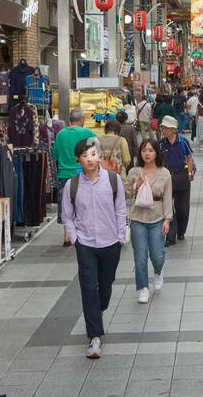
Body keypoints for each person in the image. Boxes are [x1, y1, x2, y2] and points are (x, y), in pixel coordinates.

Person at [60, 138, 127, 359]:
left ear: (99, 156)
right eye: (85, 155)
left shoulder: (113, 180)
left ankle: (99, 308)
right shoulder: (73, 185)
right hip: (85, 244)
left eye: (93, 154)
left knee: (105, 285)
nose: (90, 159)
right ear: (78, 159)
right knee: (89, 288)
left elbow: (120, 210)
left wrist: (119, 236)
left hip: (110, 242)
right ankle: (94, 336)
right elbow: (67, 216)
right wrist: (75, 237)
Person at [126, 139, 173, 304]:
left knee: (157, 255)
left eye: (151, 150)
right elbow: (126, 194)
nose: (147, 153)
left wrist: (167, 219)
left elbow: (167, 197)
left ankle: (158, 271)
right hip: (138, 217)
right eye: (144, 150)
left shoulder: (164, 173)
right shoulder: (134, 171)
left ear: (156, 153)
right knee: (140, 256)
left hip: (157, 217)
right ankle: (143, 288)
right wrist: (135, 186)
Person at [52, 109, 96, 245]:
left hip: (64, 174)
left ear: (70, 120)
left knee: (66, 204)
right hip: (82, 174)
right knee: (83, 204)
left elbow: (55, 155)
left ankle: (67, 235)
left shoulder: (60, 134)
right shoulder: (88, 133)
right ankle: (82, 232)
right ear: (82, 120)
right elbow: (97, 150)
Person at [157, 115, 195, 246]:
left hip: (182, 176)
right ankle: (171, 236)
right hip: (167, 177)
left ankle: (181, 231)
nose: (164, 130)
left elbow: (190, 158)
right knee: (168, 208)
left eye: (166, 128)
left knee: (182, 208)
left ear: (173, 129)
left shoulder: (183, 142)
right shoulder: (161, 144)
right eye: (163, 128)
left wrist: (189, 172)